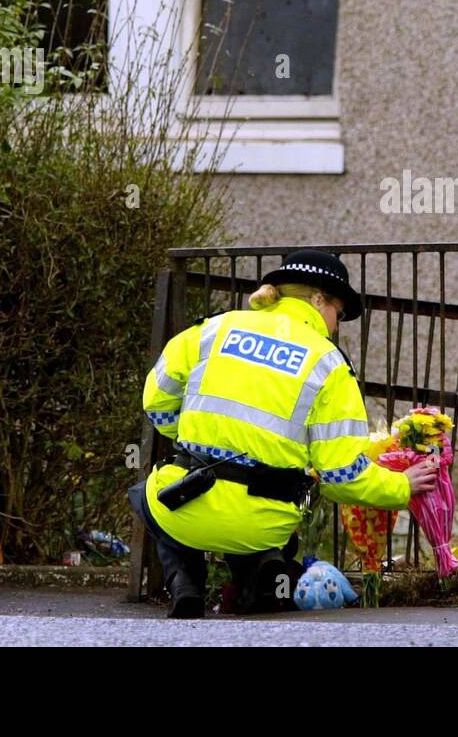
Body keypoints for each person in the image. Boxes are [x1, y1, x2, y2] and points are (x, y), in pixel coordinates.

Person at [129, 249, 440, 617]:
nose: (336, 326)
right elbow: (341, 477)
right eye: (337, 314)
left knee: (143, 493)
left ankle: (186, 584)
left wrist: (193, 433)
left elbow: (156, 401)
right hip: (265, 522)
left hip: (183, 506)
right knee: (259, 514)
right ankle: (258, 576)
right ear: (317, 298)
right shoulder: (329, 363)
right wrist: (402, 486)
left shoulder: (214, 328)